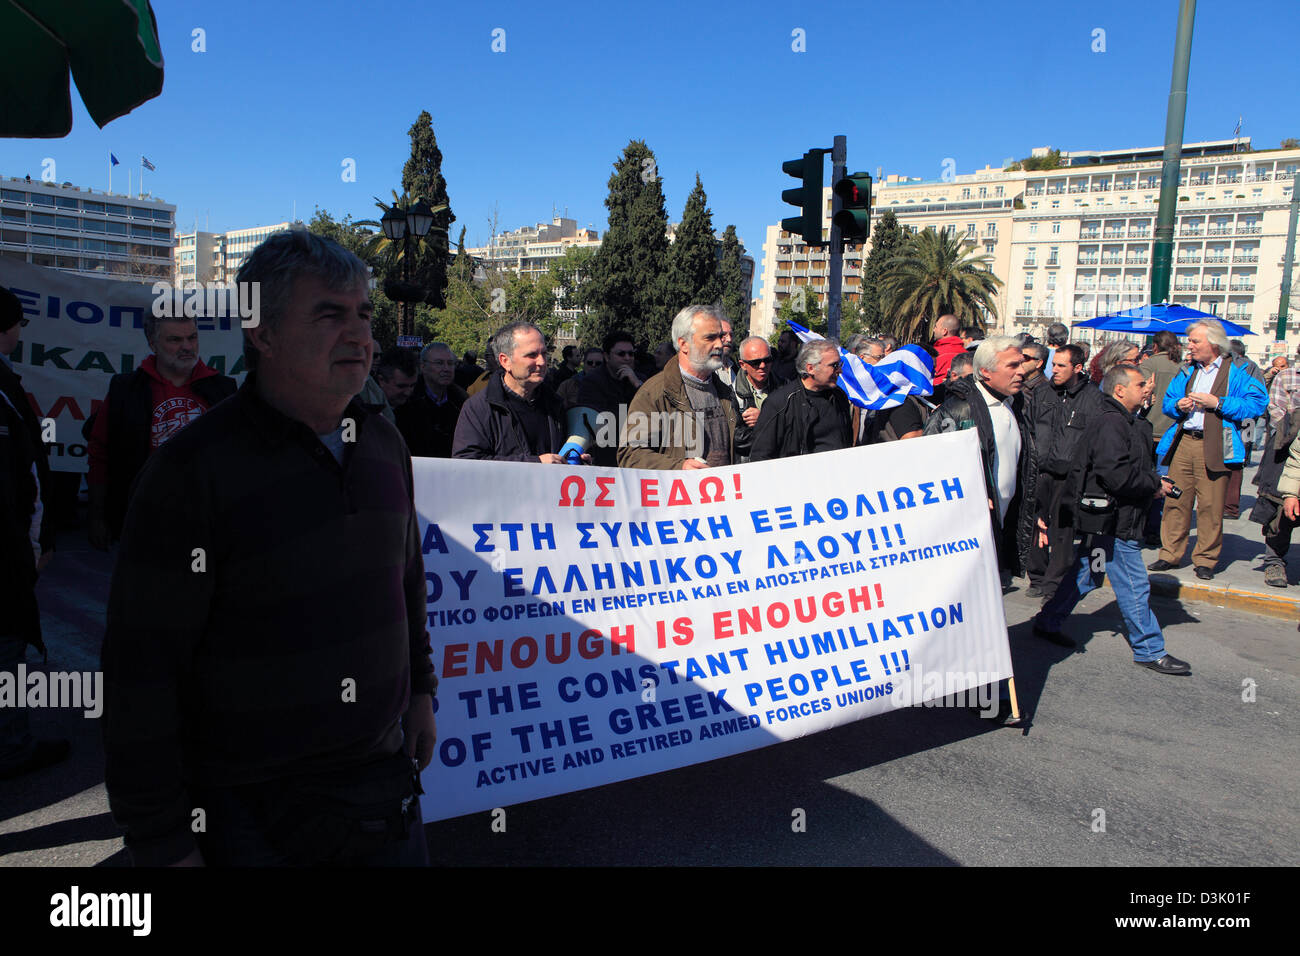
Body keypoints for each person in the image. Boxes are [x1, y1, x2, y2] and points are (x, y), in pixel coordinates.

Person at [102, 229, 436, 866]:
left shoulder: (383, 443)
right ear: (263, 333)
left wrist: (420, 691)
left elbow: (406, 580)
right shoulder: (190, 472)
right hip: (251, 812)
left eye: (364, 314)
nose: (360, 336)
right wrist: (162, 841)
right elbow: (139, 675)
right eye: (330, 315)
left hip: (382, 786)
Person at [1032, 363, 1190, 674]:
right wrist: (1154, 485)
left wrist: (1154, 481)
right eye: (1140, 384)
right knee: (1133, 585)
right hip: (1116, 520)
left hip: (1111, 519)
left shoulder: (1125, 420)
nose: (1147, 389)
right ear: (1120, 390)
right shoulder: (1111, 423)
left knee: (1087, 573)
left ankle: (1048, 621)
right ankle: (1149, 649)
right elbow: (1115, 475)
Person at [86, 311, 237, 550]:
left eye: (192, 337)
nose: (187, 347)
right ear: (152, 343)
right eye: (175, 339)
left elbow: (238, 457)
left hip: (206, 522)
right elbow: (99, 452)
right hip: (141, 521)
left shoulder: (224, 390)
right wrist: (97, 515)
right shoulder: (125, 389)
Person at [0, 286, 68, 779]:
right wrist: (33, 546)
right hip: (6, 556)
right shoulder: (4, 391)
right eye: (18, 325)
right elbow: (21, 479)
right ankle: (12, 748)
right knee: (6, 648)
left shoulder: (7, 385)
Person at [1149, 319, 1268, 579]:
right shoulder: (1187, 370)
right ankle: (1169, 554)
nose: (1189, 346)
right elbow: (1167, 402)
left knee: (1211, 505)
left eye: (1195, 341)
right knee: (1176, 499)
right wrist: (1178, 405)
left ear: (1213, 343)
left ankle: (1205, 560)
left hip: (1216, 444)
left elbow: (1257, 404)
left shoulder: (1239, 370)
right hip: (1184, 441)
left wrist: (1218, 402)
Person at [923, 336, 1037, 576]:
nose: (1021, 372)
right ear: (986, 371)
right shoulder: (958, 409)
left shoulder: (1015, 404)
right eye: (1012, 365)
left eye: (1022, 363)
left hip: (1000, 526)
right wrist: (969, 496)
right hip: (966, 532)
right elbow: (930, 465)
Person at [1026, 344, 1107, 600]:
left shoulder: (1093, 398)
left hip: (1069, 476)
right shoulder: (1042, 393)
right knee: (1035, 525)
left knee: (1063, 531)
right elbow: (1029, 427)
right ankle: (1037, 577)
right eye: (1054, 365)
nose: (1055, 370)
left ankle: (1054, 583)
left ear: (1078, 368)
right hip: (1040, 471)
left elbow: (1096, 438)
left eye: (1061, 365)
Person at [618, 305, 736, 470]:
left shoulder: (725, 392)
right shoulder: (654, 393)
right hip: (679, 486)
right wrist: (679, 467)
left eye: (720, 337)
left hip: (722, 486)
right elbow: (630, 455)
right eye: (710, 338)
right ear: (684, 344)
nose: (719, 344)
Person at [453, 322, 570, 463]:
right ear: (505, 361)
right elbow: (467, 463)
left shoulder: (555, 403)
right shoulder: (479, 408)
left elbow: (559, 454)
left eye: (544, 354)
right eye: (532, 355)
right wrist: (535, 463)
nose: (542, 362)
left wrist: (572, 460)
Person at [750, 339, 853, 461]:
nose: (840, 371)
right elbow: (760, 454)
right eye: (834, 366)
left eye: (840, 364)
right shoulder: (780, 403)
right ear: (810, 368)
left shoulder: (839, 396)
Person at [1250, 355, 1300, 588]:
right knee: (1279, 506)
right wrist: (1291, 431)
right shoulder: (1287, 377)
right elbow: (1276, 411)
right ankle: (1274, 561)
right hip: (1284, 447)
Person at [570, 332, 641, 467]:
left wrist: (637, 384)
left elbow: (653, 412)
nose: (627, 358)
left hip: (634, 454)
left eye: (631, 354)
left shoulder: (638, 379)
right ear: (607, 356)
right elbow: (593, 421)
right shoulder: (592, 382)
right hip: (603, 456)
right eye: (621, 354)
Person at [1139, 330, 1184, 545]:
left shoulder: (1148, 365)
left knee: (1144, 479)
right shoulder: (1182, 368)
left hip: (1148, 427)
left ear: (1155, 346)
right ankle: (1156, 529)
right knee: (1164, 481)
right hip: (1171, 430)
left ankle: (1142, 524)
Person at [395, 342, 467, 459]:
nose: (446, 369)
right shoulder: (406, 398)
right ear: (423, 366)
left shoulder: (462, 401)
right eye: (439, 363)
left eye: (450, 363)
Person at [732, 335, 778, 463]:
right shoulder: (731, 394)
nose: (763, 365)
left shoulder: (785, 388)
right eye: (756, 362)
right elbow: (739, 440)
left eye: (767, 360)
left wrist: (764, 418)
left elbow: (794, 428)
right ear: (742, 365)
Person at [358, 347, 418, 424]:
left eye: (412, 385)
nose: (408, 392)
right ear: (381, 380)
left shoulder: (419, 408)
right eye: (401, 386)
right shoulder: (361, 409)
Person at [930, 314, 967, 386]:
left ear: (944, 331)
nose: (934, 330)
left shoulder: (934, 353)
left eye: (936, 327)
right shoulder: (967, 354)